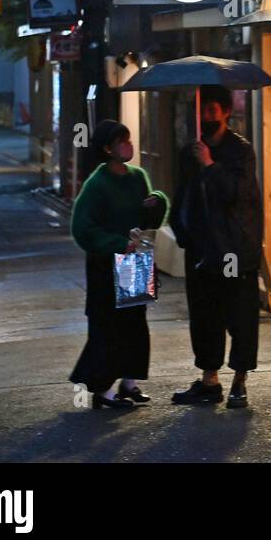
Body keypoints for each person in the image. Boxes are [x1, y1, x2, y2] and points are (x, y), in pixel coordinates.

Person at [169, 85, 263, 409]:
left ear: (225, 112)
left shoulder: (240, 150)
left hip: (235, 250)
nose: (206, 116)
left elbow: (235, 194)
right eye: (202, 110)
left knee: (239, 314)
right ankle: (209, 379)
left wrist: (209, 164)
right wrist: (180, 230)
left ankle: (240, 380)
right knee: (204, 315)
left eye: (212, 109)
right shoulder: (189, 151)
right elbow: (182, 194)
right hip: (201, 248)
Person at [69, 119, 169, 410]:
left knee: (135, 322)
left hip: (135, 261)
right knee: (107, 325)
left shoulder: (138, 177)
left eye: (129, 140)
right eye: (122, 142)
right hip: (106, 265)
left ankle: (129, 382)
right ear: (107, 149)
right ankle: (102, 388)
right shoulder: (97, 184)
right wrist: (115, 244)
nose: (129, 146)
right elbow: (82, 228)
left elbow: (150, 219)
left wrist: (157, 201)